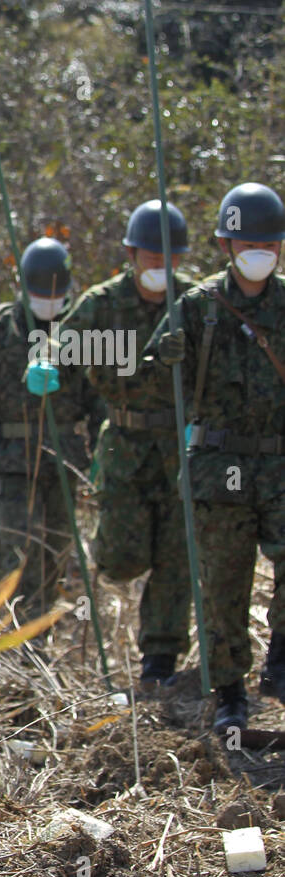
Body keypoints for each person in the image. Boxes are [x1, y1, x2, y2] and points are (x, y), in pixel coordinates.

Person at [145, 182, 285, 730]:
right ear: (227, 246)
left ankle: (280, 659)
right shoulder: (198, 307)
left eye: (271, 244)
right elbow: (157, 386)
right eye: (249, 243)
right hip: (217, 465)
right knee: (225, 583)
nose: (261, 253)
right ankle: (229, 693)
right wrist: (165, 358)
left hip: (278, 462)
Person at [0, 238, 103, 618]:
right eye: (42, 291)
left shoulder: (77, 329)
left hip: (61, 457)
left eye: (56, 291)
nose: (50, 299)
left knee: (55, 550)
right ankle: (14, 632)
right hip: (10, 459)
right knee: (16, 549)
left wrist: (100, 450)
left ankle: (38, 632)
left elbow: (97, 395)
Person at [63, 201, 193, 686]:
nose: (159, 264)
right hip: (123, 442)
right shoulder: (104, 302)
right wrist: (49, 365)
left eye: (169, 255)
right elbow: (64, 344)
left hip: (179, 442)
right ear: (131, 254)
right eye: (150, 254)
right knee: (121, 556)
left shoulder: (193, 301)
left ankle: (159, 659)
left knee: (176, 553)